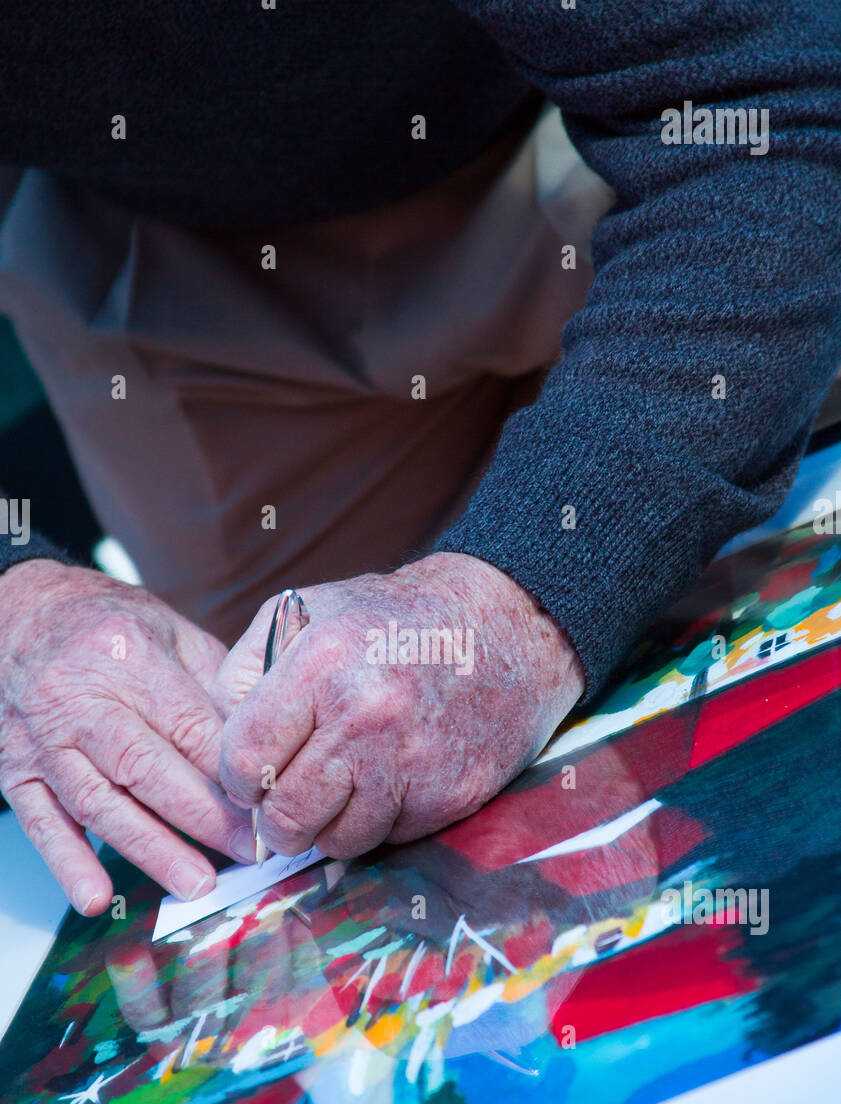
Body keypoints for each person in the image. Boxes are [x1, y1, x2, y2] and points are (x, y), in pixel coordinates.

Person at [0, 1, 838, 917]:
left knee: (783, 587)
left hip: (594, 129)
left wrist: (522, 600)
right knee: (309, 786)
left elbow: (771, 103)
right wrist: (16, 603)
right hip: (165, 239)